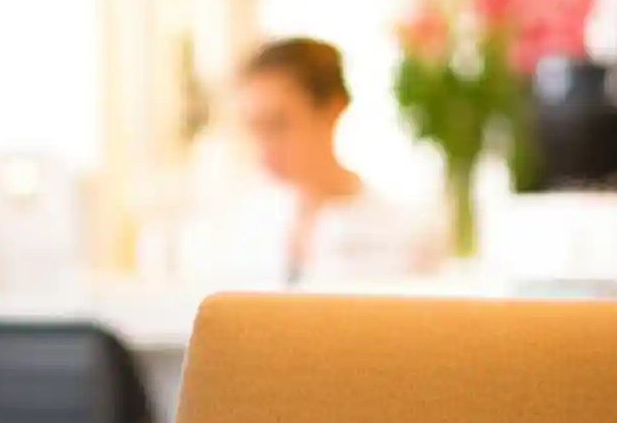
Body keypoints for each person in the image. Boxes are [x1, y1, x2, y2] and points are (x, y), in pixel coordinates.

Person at [188, 37, 439, 287]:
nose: (266, 146)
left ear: (332, 110)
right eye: (255, 127)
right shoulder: (237, 230)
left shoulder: (403, 236)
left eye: (278, 124)